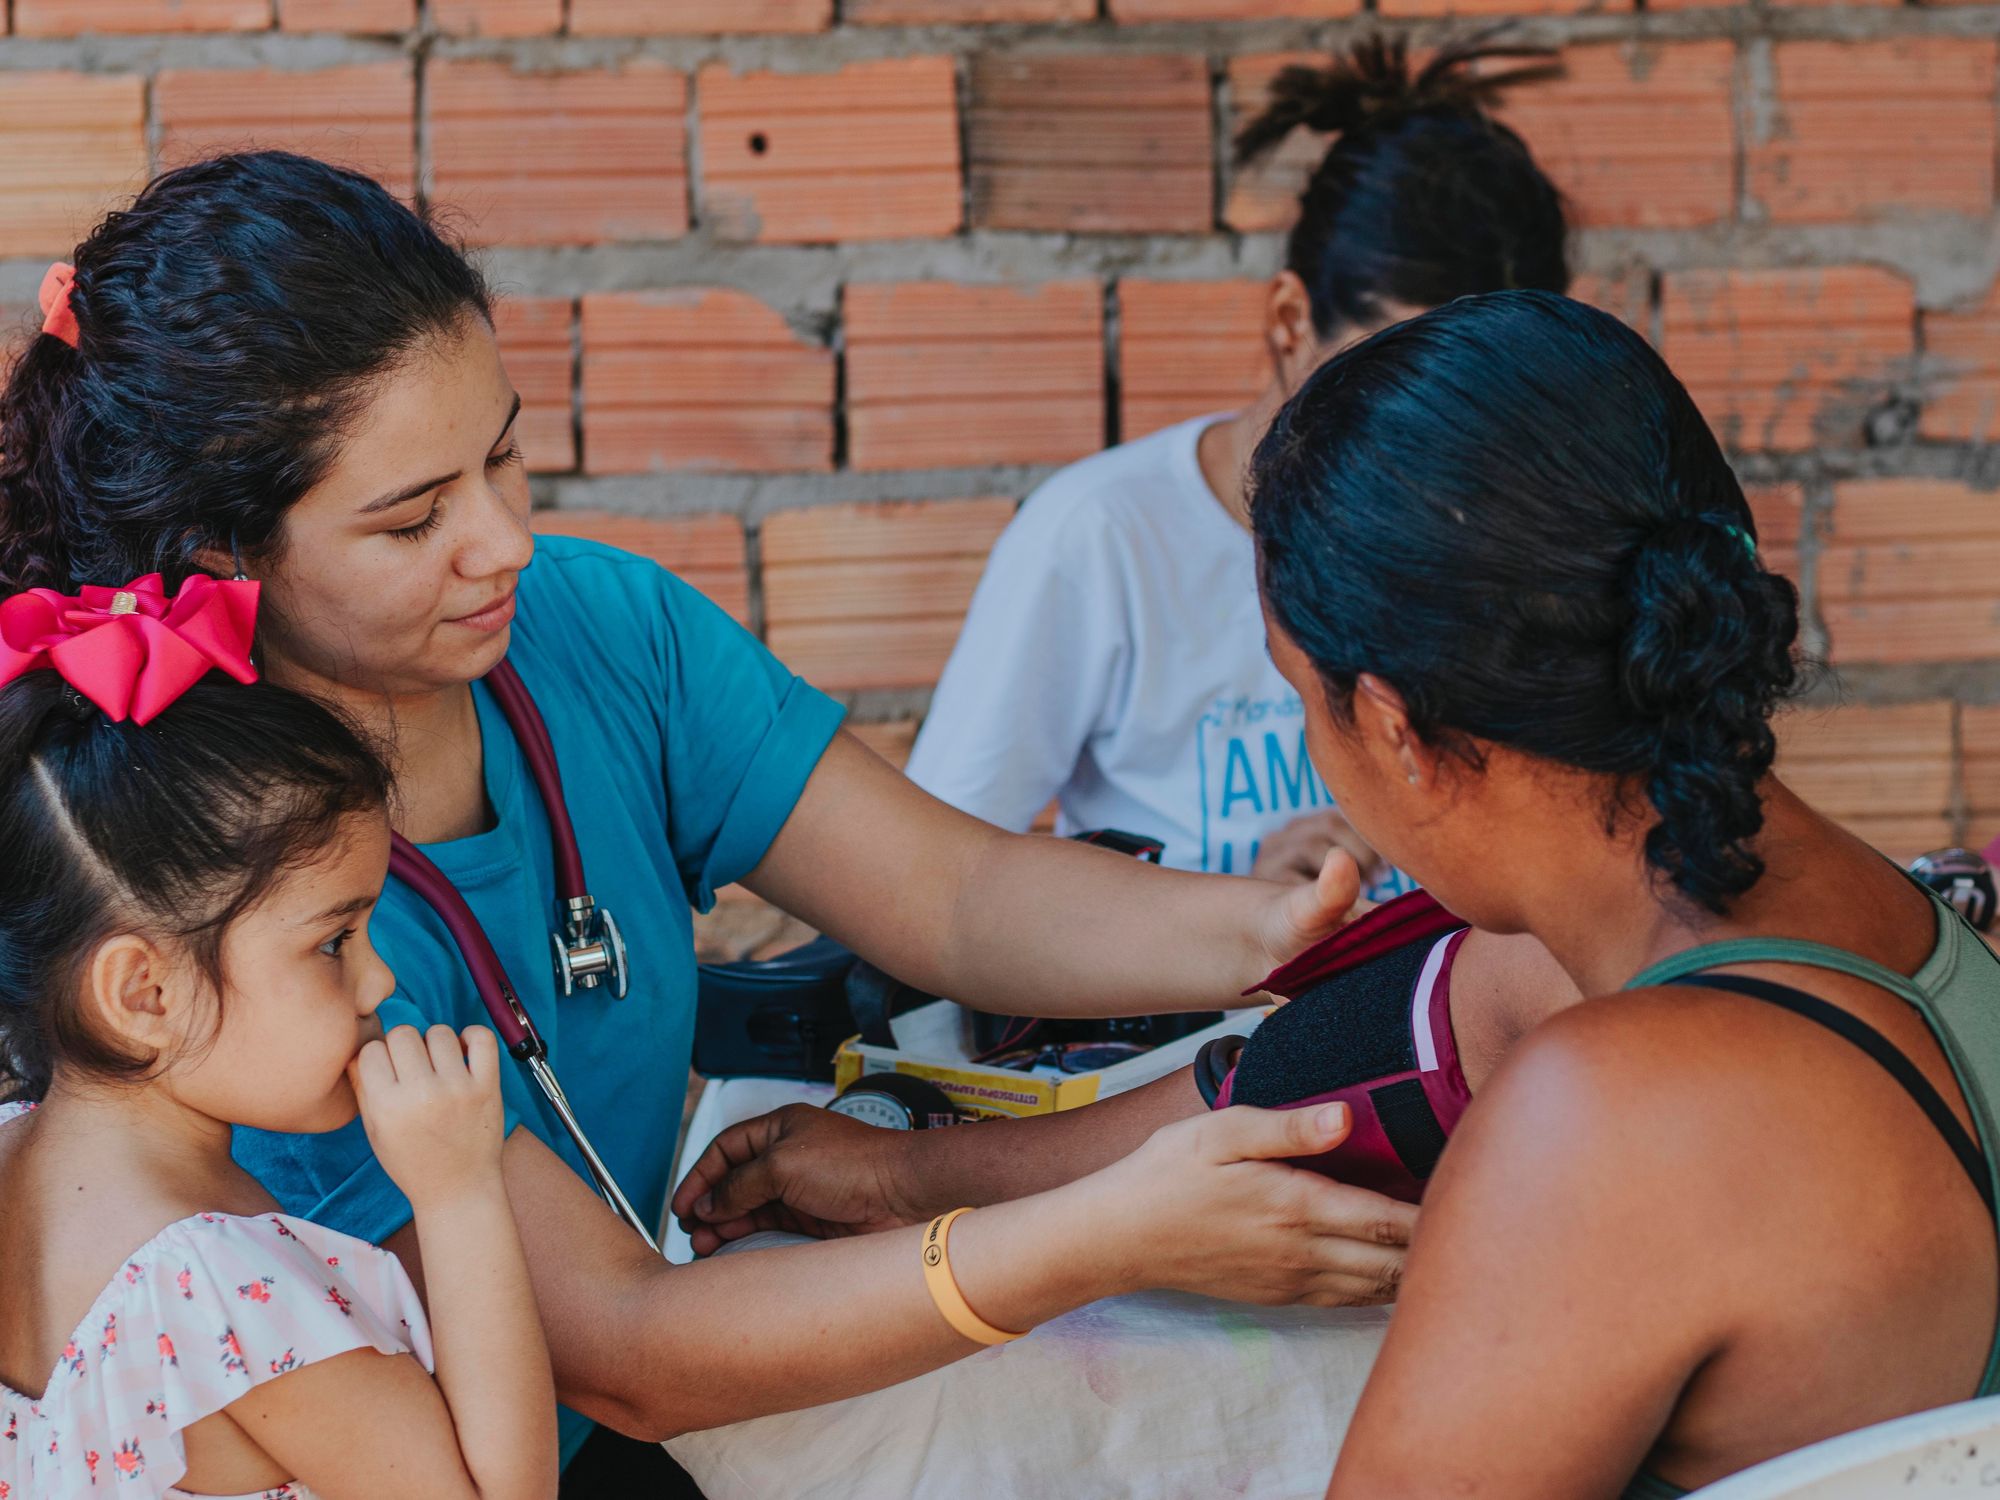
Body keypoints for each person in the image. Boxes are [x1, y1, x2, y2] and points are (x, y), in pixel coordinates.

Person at [0, 151, 1415, 1487]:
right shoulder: (250, 906)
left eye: (501, 459)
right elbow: (626, 1353)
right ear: (220, 553)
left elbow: (961, 898)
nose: (504, 543)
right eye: (413, 518)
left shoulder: (591, 627)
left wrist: (1274, 928)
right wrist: (1097, 1235)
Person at [682, 293, 2000, 1497]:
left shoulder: (1611, 1121)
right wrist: (916, 1179)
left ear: (1396, 726)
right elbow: (1295, 1080)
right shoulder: (1856, 920)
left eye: (1293, 691)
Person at [905, 36, 1568, 892]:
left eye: (1492, 406)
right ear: (1290, 322)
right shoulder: (1102, 537)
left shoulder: (1515, 539)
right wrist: (1232, 916)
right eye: (1399, 389)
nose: (1445, 450)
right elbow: (935, 886)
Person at [0, 591, 558, 1500]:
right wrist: (459, 1194)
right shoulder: (213, 1286)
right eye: (334, 943)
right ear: (145, 994)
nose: (379, 984)